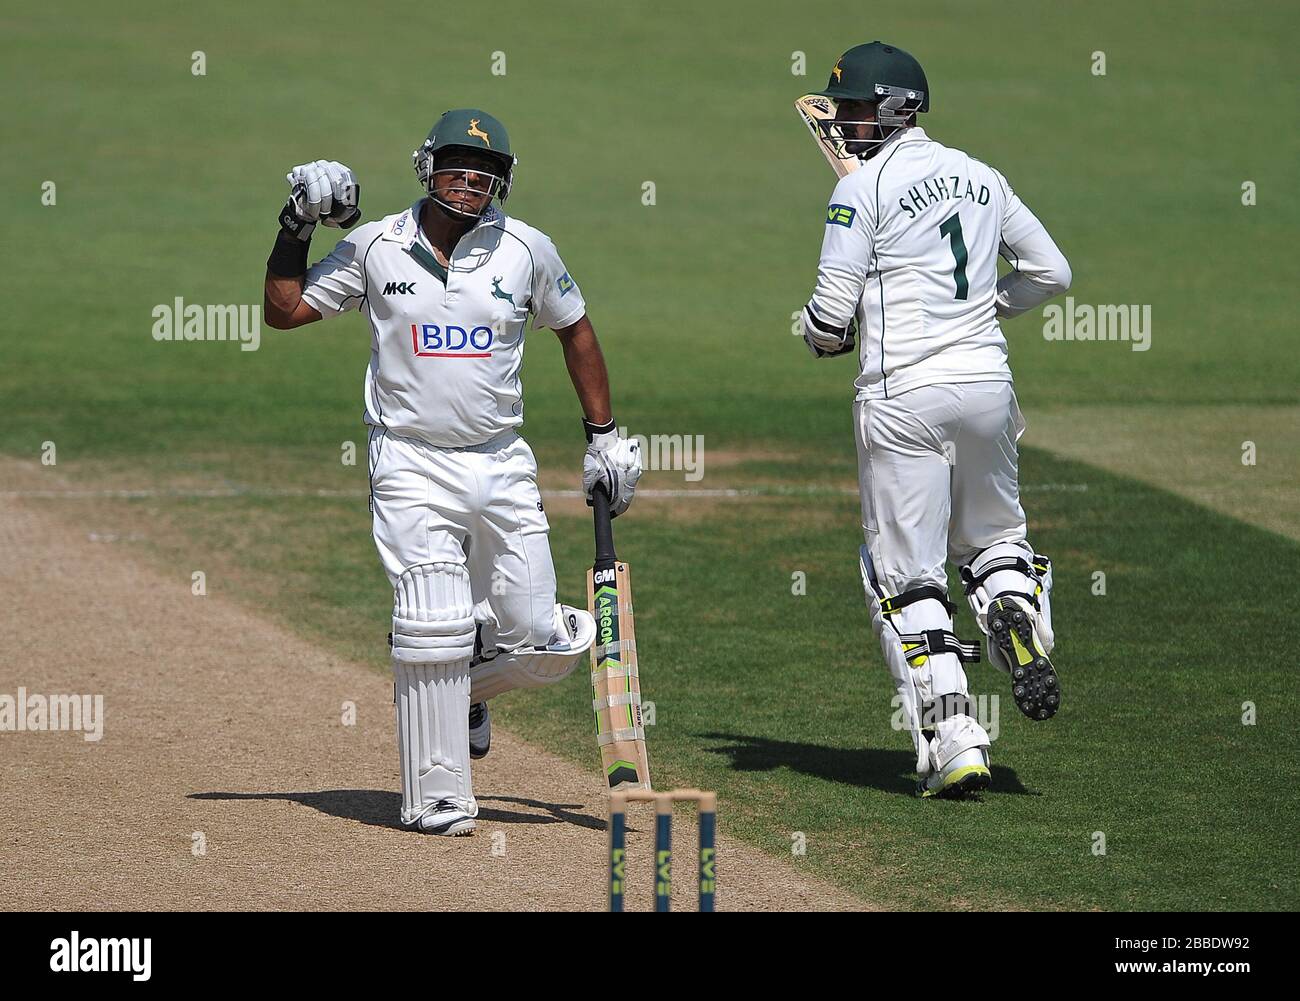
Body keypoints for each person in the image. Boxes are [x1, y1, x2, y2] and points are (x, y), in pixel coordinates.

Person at [263, 108, 642, 834]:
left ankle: (460, 687)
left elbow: (576, 331)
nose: (470, 180)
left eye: (485, 169)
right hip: (408, 457)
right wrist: (296, 222)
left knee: (546, 639)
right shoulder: (376, 245)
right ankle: (438, 794)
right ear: (426, 167)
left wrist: (604, 436)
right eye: (457, 165)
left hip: (501, 460)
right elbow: (284, 311)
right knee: (431, 620)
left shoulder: (526, 249)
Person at [799, 43, 1072, 798]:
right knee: (994, 541)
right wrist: (989, 306)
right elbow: (1052, 272)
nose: (843, 123)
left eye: (853, 108)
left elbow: (827, 317)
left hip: (902, 397)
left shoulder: (860, 192)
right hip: (987, 389)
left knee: (904, 575)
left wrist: (822, 335)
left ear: (892, 108)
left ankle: (955, 738)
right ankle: (1013, 607)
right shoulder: (983, 177)